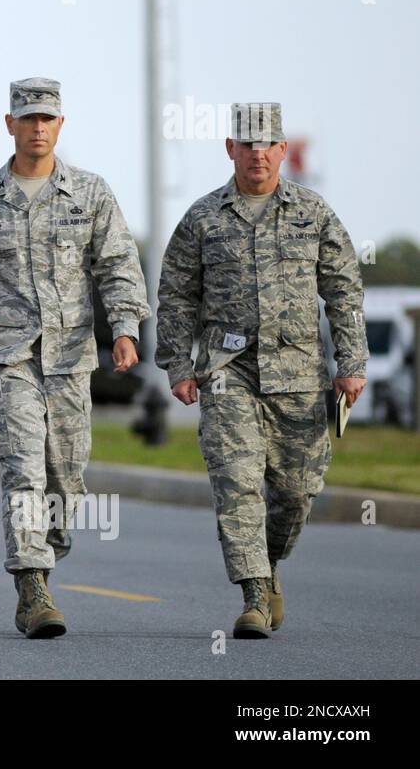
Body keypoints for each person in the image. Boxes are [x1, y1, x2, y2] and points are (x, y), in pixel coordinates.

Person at [0, 77, 148, 639]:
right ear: (10, 125)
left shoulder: (91, 194)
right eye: (28, 119)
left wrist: (124, 329)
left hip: (71, 358)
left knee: (65, 480)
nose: (38, 128)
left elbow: (118, 265)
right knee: (23, 469)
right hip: (6, 358)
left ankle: (47, 550)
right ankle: (32, 588)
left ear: (60, 126)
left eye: (47, 119)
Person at [155, 102, 367, 638]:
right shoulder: (203, 219)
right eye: (245, 144)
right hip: (229, 373)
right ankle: (252, 595)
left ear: (280, 150)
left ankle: (268, 565)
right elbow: (176, 297)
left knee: (296, 492)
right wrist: (179, 365)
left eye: (266, 144)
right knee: (237, 482)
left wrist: (352, 364)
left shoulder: (313, 212)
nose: (256, 154)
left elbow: (342, 288)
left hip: (299, 374)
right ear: (231, 149)